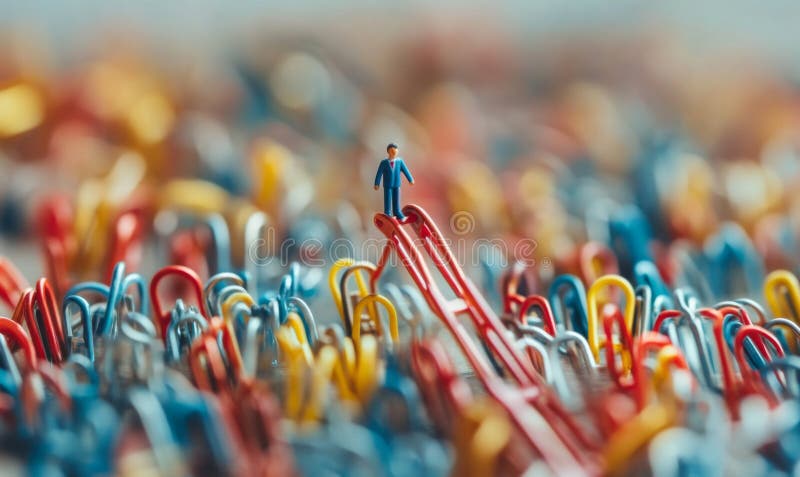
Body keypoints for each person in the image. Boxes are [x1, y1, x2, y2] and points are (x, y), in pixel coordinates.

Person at [373, 143, 414, 220]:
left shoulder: (400, 162)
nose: (393, 152)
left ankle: (397, 212)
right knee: (387, 200)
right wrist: (377, 183)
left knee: (396, 200)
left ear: (397, 151)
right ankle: (387, 213)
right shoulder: (384, 163)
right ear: (388, 151)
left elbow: (406, 171)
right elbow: (379, 173)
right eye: (391, 150)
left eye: (395, 150)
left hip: (397, 184)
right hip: (387, 185)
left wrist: (410, 179)